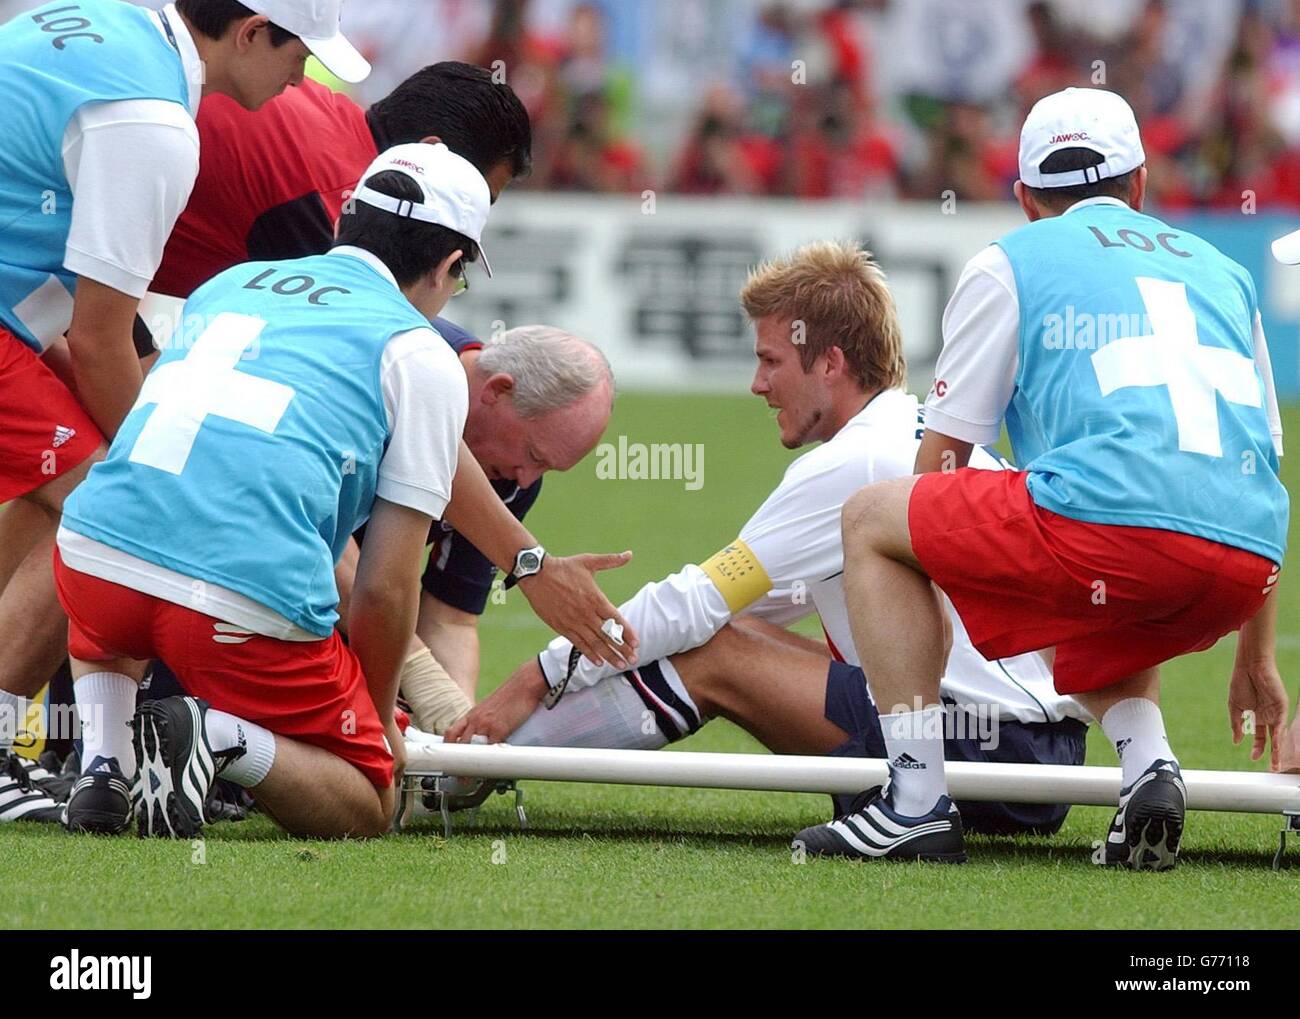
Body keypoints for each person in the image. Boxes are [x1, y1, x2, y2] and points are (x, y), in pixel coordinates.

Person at [52, 141, 628, 840]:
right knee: (371, 800)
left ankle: (105, 763)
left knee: (116, 601)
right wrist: (380, 721)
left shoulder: (232, 283)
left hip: (89, 561)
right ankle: (217, 735)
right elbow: (385, 587)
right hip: (230, 603)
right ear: (449, 266)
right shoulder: (419, 353)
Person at [446, 241, 1090, 844]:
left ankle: (460, 772)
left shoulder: (853, 462)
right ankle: (477, 760)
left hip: (987, 754)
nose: (757, 385)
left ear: (830, 363)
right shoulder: (932, 437)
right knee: (723, 635)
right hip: (1034, 751)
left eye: (770, 360)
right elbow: (737, 606)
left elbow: (700, 605)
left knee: (717, 650)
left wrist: (534, 679)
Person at [820, 87, 1288, 869]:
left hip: (1110, 534)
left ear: (1026, 200)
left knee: (876, 518)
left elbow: (938, 468)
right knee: (1094, 557)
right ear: (1140, 184)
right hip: (1243, 564)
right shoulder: (1222, 272)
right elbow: (1266, 462)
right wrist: (1257, 657)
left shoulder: (1012, 261)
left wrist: (930, 602)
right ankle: (1147, 765)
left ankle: (914, 800)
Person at [0, 0, 369, 820]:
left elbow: (78, 327)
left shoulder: (104, 23)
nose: (299, 80)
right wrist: (167, 470)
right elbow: (100, 341)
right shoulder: (156, 121)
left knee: (74, 485)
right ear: (247, 34)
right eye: (297, 56)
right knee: (112, 509)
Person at [151, 60, 532, 301]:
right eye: (477, 196)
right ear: (432, 150)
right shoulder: (338, 204)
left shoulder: (321, 108)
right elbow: (381, 344)